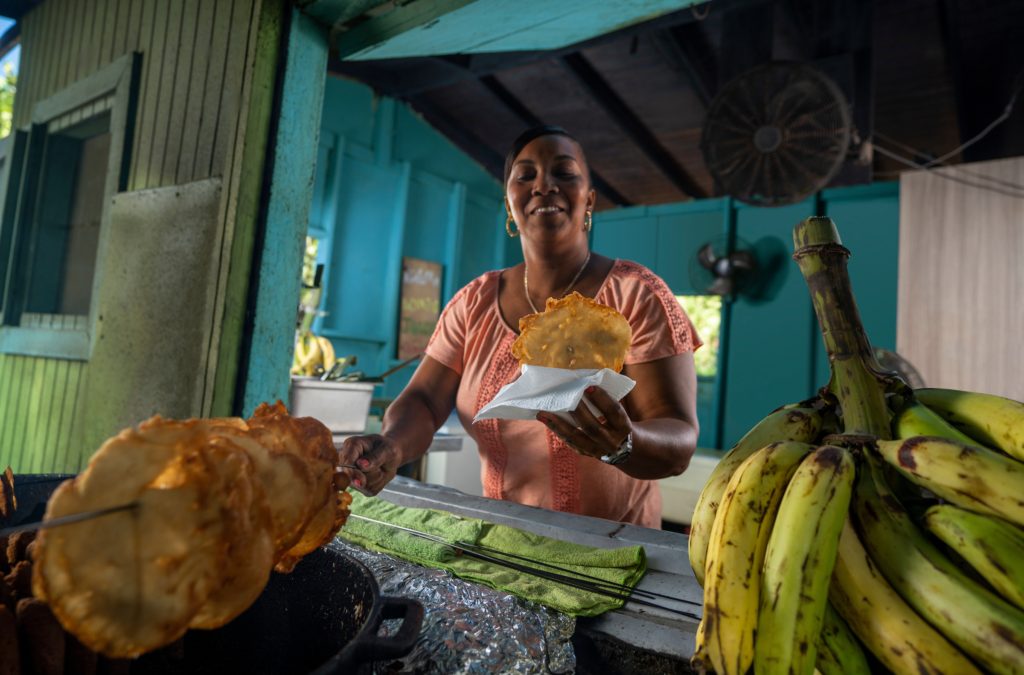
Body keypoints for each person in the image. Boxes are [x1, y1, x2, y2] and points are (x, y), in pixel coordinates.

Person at [339, 126, 701, 528]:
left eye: (564, 173)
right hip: (504, 542)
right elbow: (424, 400)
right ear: (509, 206)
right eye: (525, 176)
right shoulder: (473, 303)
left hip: (614, 549)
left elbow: (679, 439)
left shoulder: (637, 296)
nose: (544, 186)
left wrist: (625, 444)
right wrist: (392, 445)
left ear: (590, 200)